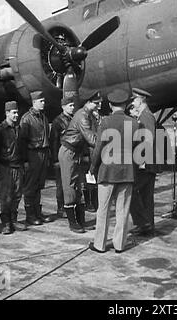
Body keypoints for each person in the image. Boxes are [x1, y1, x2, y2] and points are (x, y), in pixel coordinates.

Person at [89, 88, 140, 253]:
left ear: (110, 105)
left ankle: (100, 245)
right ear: (125, 105)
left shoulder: (105, 122)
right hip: (126, 172)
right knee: (123, 211)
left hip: (107, 172)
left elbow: (98, 148)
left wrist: (92, 167)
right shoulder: (134, 123)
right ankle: (119, 245)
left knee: (103, 210)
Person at [59, 92, 100, 233]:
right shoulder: (82, 116)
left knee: (79, 185)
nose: (99, 105)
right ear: (89, 102)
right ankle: (73, 223)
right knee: (70, 186)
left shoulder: (88, 115)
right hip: (68, 152)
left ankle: (81, 221)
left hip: (76, 153)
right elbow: (92, 139)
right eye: (96, 102)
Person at [20, 91, 53, 226]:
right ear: (34, 103)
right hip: (32, 154)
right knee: (30, 186)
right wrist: (25, 160)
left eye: (44, 101)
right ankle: (30, 215)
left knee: (39, 184)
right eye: (41, 101)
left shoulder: (43, 117)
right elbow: (22, 141)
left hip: (43, 153)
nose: (43, 103)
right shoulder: (26, 119)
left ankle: (38, 212)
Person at [0, 101, 27, 235]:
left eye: (17, 112)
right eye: (14, 112)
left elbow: (22, 147)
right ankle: (6, 223)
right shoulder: (0, 130)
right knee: (6, 196)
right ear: (7, 113)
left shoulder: (18, 128)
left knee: (17, 194)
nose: (16, 115)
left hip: (17, 165)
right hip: (5, 167)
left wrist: (24, 161)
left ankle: (14, 219)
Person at [128, 88, 157, 236]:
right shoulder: (145, 116)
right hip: (147, 163)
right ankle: (148, 225)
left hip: (145, 163)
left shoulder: (146, 116)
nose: (133, 102)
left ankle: (142, 222)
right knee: (146, 195)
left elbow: (148, 141)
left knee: (131, 190)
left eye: (134, 100)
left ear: (140, 100)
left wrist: (141, 161)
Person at [50, 97, 75, 218]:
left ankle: (71, 204)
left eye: (73, 105)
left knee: (71, 182)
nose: (72, 107)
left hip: (72, 156)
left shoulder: (74, 119)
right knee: (61, 183)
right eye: (70, 105)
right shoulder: (57, 122)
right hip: (62, 156)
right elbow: (54, 141)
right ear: (63, 107)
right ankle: (61, 207)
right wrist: (55, 160)